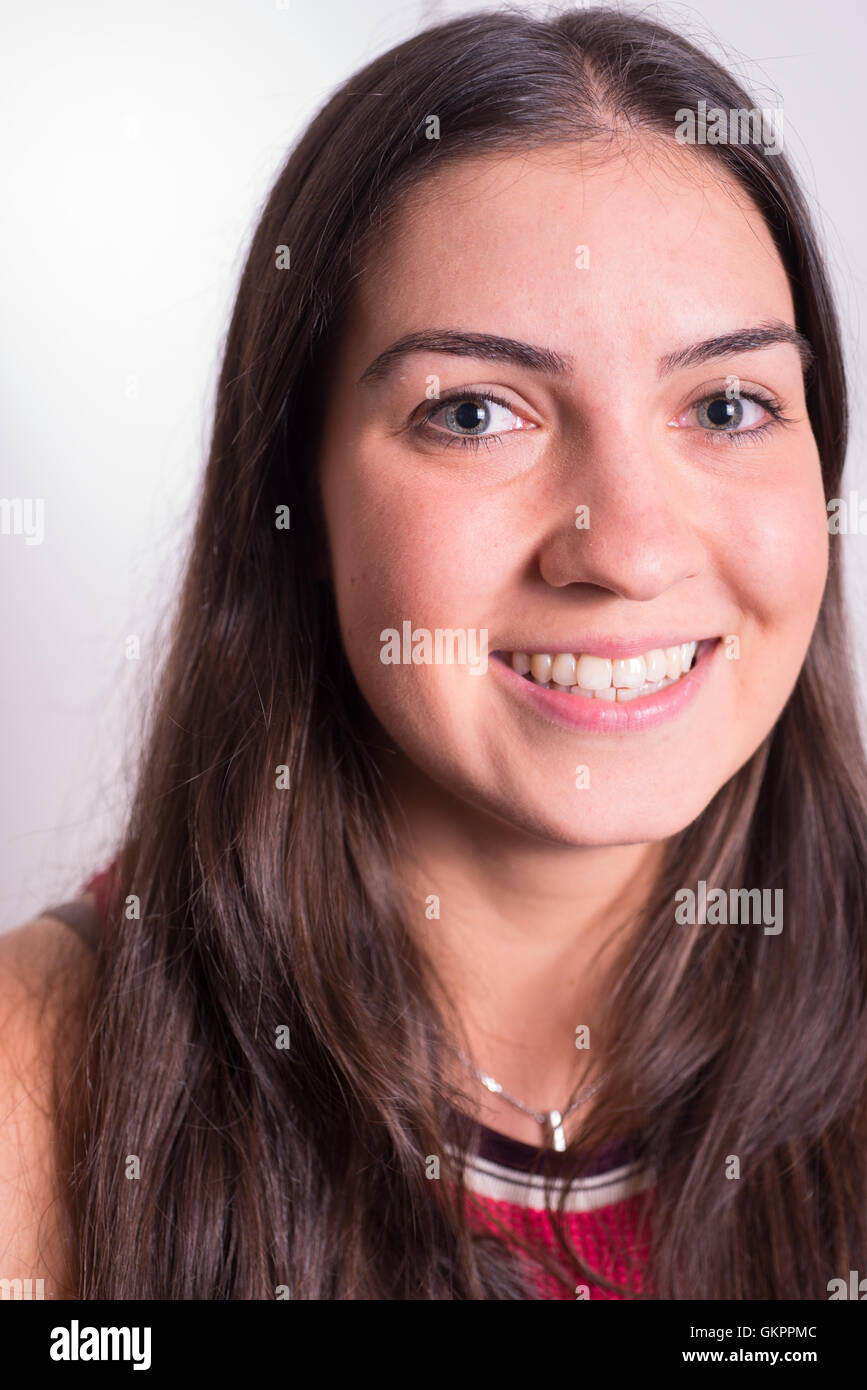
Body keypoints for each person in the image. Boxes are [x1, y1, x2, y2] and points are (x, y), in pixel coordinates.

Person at [3, 6, 866, 1300]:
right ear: (294, 500)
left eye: (729, 404)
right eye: (475, 411)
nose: (625, 547)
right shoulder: (35, 1085)